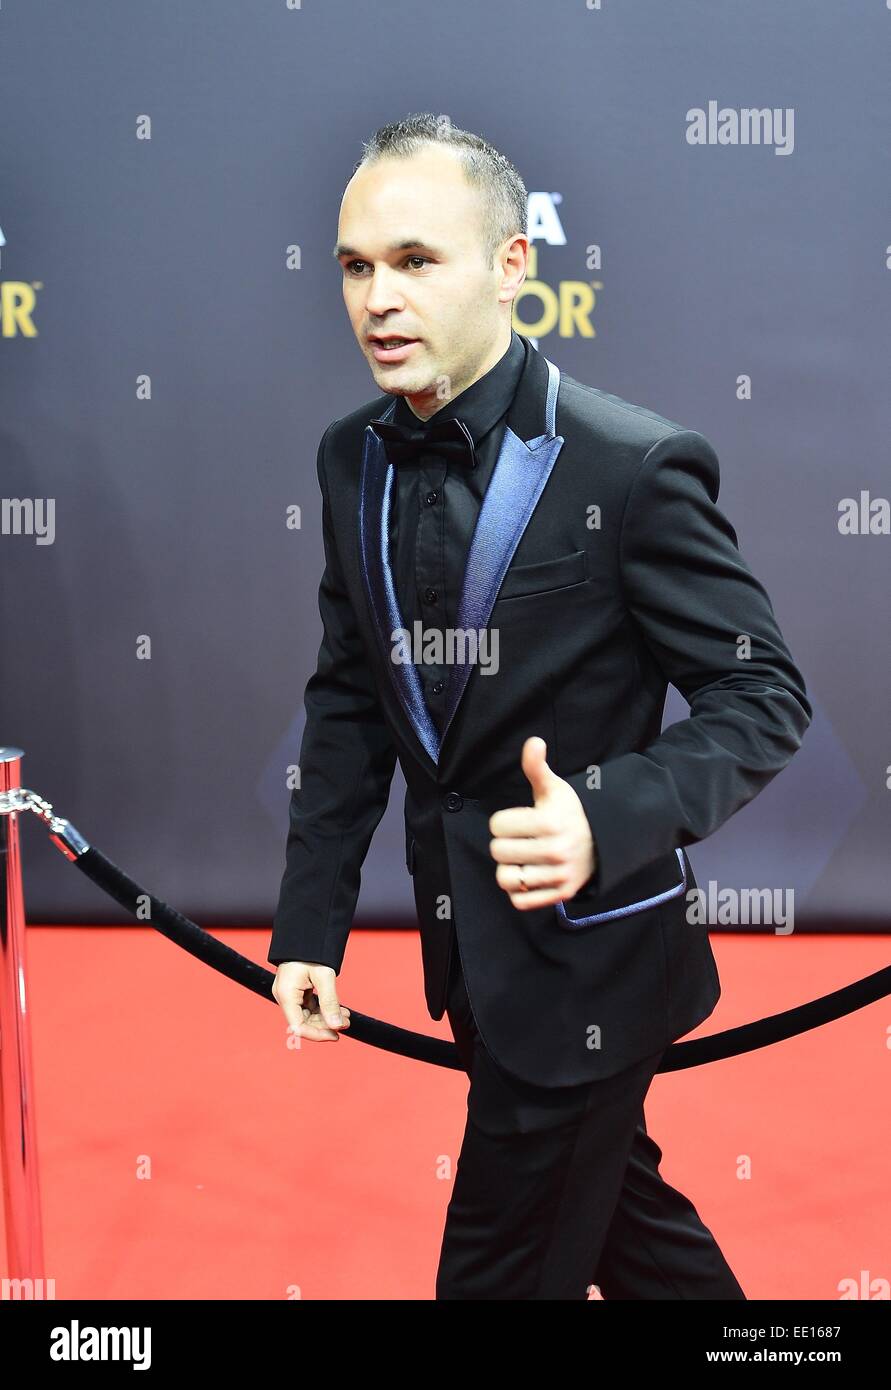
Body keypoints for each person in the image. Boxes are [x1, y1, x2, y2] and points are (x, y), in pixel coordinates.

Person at [268, 113, 811, 1299]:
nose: (378, 298)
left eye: (417, 261)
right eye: (357, 266)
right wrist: (314, 921)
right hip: (468, 955)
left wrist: (605, 815)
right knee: (629, 1224)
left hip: (592, 964)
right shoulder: (348, 456)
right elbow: (352, 696)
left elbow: (762, 691)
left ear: (513, 266)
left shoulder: (634, 463)